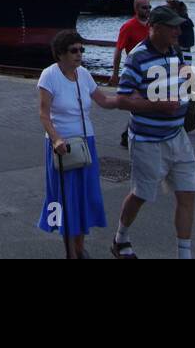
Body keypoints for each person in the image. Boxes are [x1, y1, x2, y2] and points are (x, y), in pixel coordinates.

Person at [110, 4, 195, 259]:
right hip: (148, 141)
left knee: (188, 193)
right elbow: (122, 99)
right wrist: (156, 104)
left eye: (179, 26)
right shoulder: (137, 57)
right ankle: (121, 238)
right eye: (173, 26)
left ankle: (185, 254)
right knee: (140, 195)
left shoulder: (174, 51)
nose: (178, 31)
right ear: (156, 27)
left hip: (177, 137)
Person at [37, 29, 123, 258]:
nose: (79, 54)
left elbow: (103, 100)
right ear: (60, 54)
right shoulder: (49, 76)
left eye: (81, 49)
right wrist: (56, 138)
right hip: (62, 147)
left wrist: (127, 101)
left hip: (86, 145)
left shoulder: (84, 74)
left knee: (83, 197)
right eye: (74, 50)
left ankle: (78, 248)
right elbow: (44, 114)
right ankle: (71, 253)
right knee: (65, 200)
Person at [110, 0, 151, 146]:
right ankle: (127, 135)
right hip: (136, 72)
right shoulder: (128, 27)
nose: (147, 10)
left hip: (152, 71)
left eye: (149, 7)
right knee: (141, 102)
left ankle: (128, 134)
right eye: (144, 8)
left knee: (147, 102)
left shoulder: (152, 26)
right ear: (136, 9)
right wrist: (115, 74)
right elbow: (118, 50)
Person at [167, 0, 195, 132]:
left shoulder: (179, 22)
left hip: (181, 56)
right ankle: (194, 116)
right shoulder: (187, 20)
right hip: (187, 55)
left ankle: (194, 116)